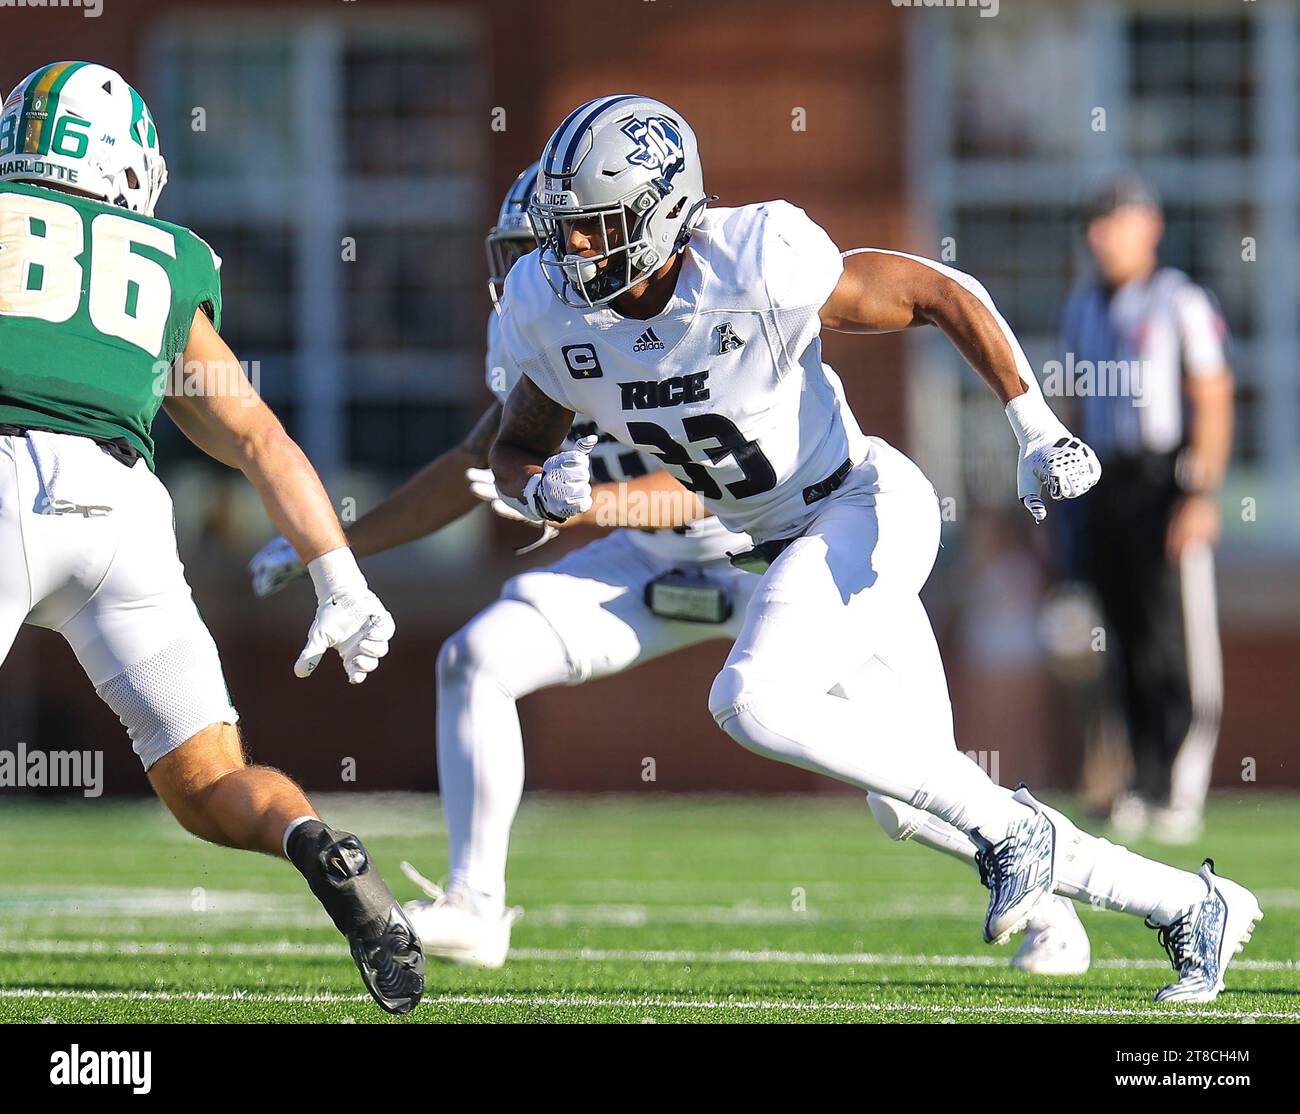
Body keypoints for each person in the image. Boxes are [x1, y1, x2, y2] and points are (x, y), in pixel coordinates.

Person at [487, 94, 1260, 1003]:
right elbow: (515, 445)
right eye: (565, 228)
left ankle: (1022, 837)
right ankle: (1189, 905)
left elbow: (939, 291)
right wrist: (535, 487)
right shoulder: (550, 307)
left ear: (663, 211)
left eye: (597, 226)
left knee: (750, 697)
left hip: (863, 507)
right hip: (782, 547)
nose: (573, 250)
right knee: (915, 805)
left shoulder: (755, 258)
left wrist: (1035, 427)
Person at [252, 162, 1092, 975]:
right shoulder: (545, 332)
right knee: (477, 659)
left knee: (906, 798)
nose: (546, 268)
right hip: (655, 567)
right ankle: (475, 904)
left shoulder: (691, 308)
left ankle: (1052, 891)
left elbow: (703, 485)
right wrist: (331, 547)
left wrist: (587, 506)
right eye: (531, 250)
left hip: (775, 552)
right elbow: (479, 465)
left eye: (562, 243)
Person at [0, 62, 422, 1014]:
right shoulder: (163, 259)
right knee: (209, 779)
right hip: (122, 510)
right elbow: (258, 438)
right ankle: (313, 841)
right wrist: (340, 576)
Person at [1060, 177, 1234, 844]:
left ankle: (1179, 784)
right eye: (1095, 224)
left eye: (1116, 223)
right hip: (1106, 482)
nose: (1102, 237)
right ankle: (1140, 777)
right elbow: (1076, 404)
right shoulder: (1083, 305)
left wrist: (1200, 492)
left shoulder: (1178, 300)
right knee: (1121, 638)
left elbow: (1212, 395)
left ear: (1149, 227)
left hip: (1166, 480)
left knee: (1175, 637)